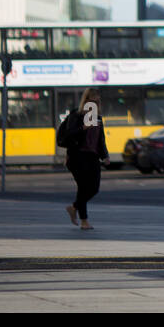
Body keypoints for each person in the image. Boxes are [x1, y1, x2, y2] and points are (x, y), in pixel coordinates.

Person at [66, 88, 109, 231]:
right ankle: (84, 221)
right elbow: (69, 134)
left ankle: (74, 207)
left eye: (97, 100)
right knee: (83, 187)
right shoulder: (76, 115)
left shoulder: (98, 117)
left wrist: (105, 155)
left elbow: (100, 139)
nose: (95, 102)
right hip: (77, 156)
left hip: (93, 156)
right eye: (92, 100)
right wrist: (83, 128)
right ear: (86, 100)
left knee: (94, 188)